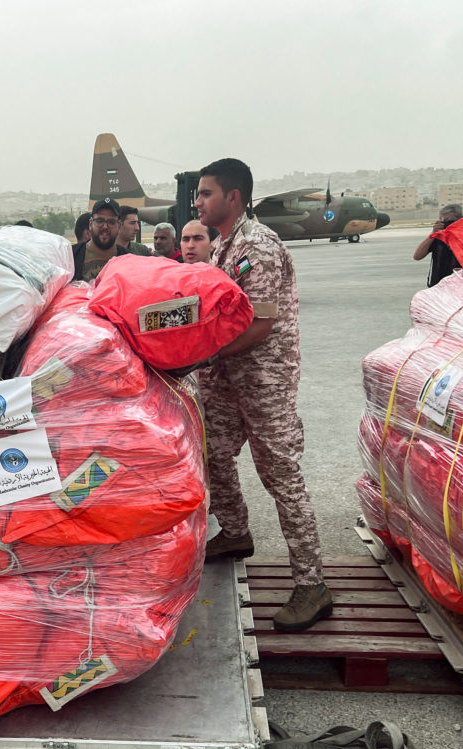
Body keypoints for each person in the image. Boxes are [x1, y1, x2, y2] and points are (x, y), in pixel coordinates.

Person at [194, 157, 331, 632]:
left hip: (264, 380)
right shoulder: (222, 248)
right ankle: (234, 532)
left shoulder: (260, 246)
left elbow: (262, 324)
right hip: (228, 379)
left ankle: (312, 583)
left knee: (281, 476)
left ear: (233, 198)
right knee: (213, 453)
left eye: (206, 193)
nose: (198, 201)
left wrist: (203, 353)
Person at [71, 198, 132, 282]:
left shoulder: (128, 260)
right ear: (90, 224)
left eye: (111, 222)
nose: (105, 226)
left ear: (120, 226)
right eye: (99, 221)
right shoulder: (72, 256)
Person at [413, 204, 463, 287]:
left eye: (451, 220)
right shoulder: (438, 236)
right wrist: (433, 233)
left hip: (461, 286)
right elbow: (417, 256)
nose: (448, 223)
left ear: (461, 218)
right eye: (445, 220)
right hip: (439, 286)